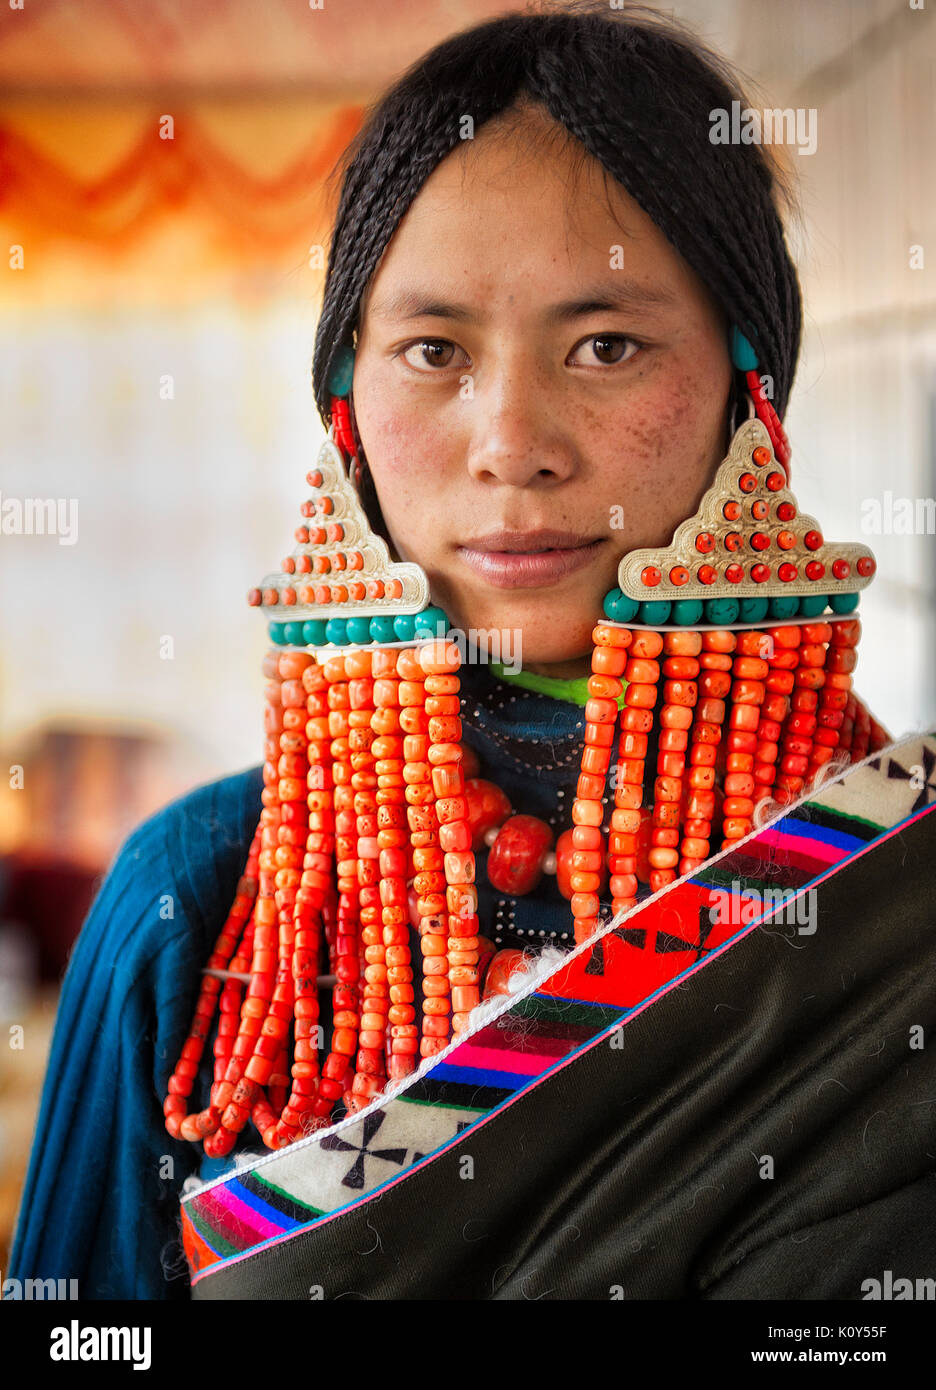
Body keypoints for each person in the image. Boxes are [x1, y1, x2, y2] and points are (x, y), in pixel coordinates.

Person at [8, 3, 932, 1302]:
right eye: (434, 350)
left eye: (605, 343)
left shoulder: (897, 894)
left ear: (749, 389)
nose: (513, 441)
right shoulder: (206, 912)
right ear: (347, 408)